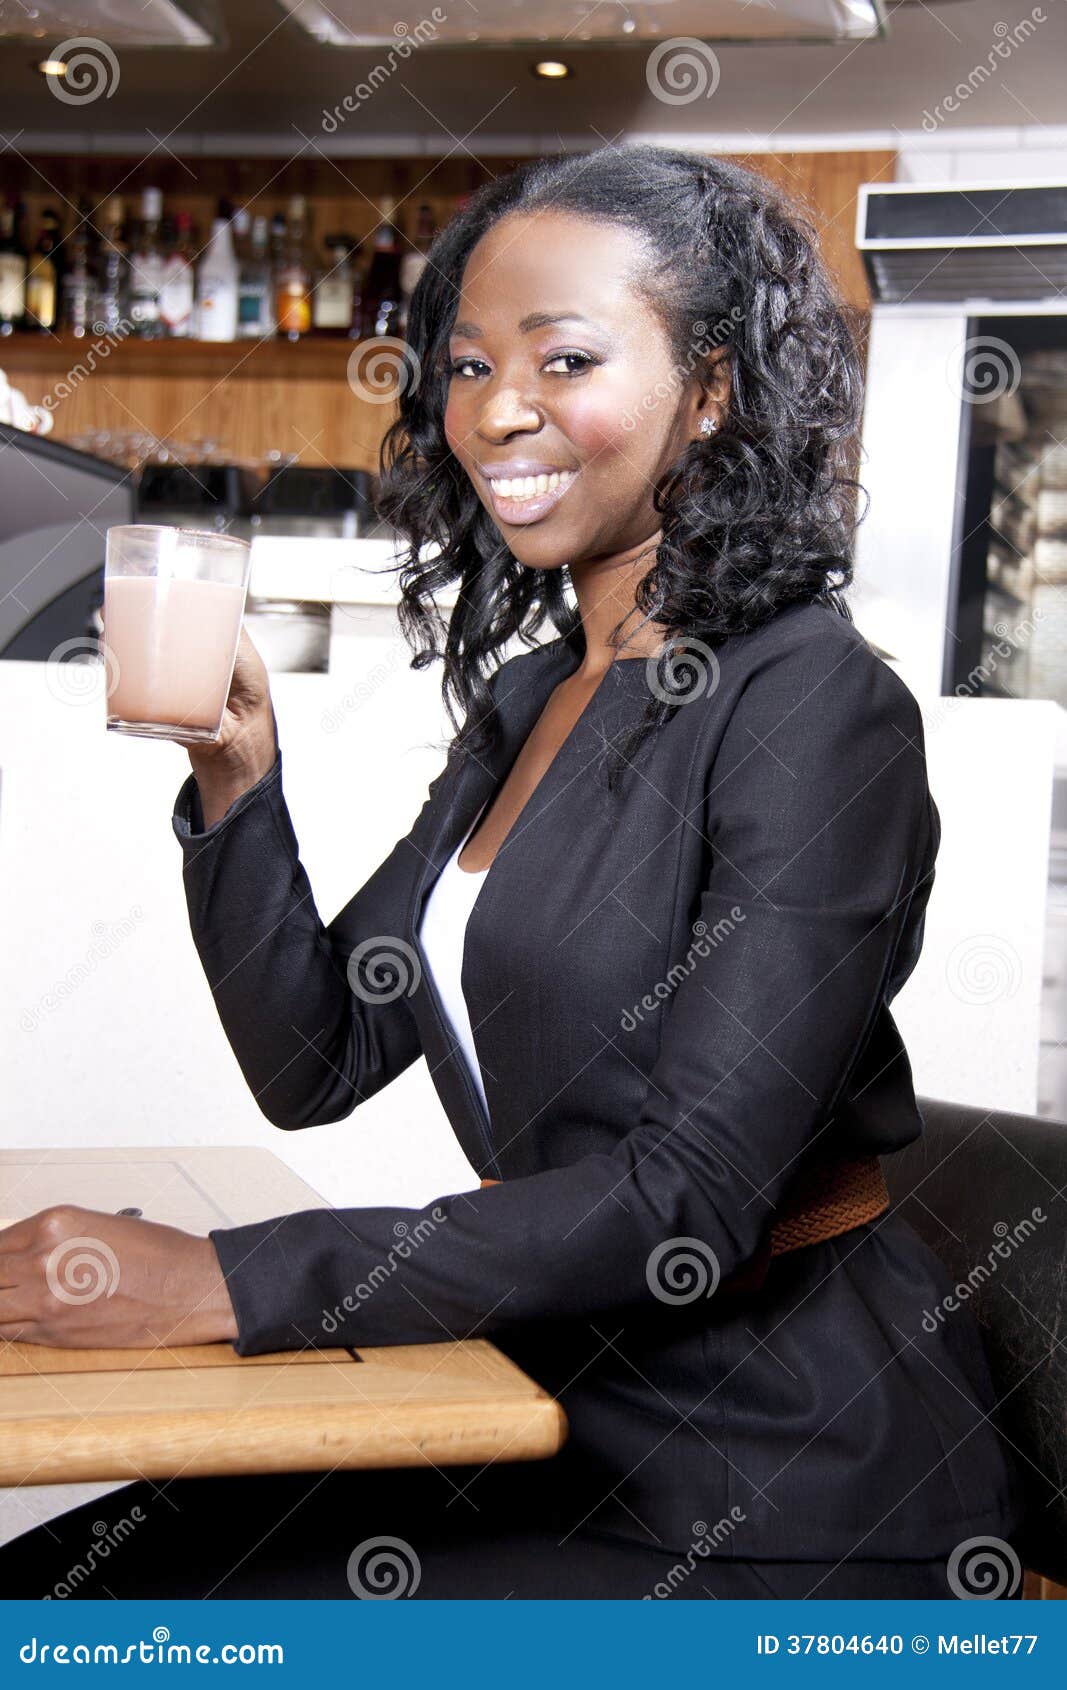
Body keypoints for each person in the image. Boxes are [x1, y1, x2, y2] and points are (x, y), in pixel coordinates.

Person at [0, 144, 1026, 1600]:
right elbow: (322, 1050)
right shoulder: (533, 698)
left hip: (779, 1479)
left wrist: (222, 1279)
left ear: (713, 390)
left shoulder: (812, 706)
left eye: (565, 356)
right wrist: (238, 779)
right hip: (552, 1401)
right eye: (468, 363)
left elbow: (687, 1200)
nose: (498, 408)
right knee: (65, 1590)